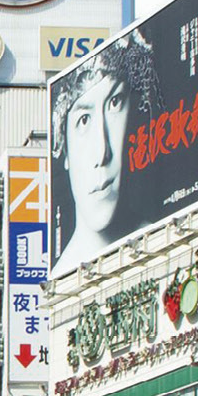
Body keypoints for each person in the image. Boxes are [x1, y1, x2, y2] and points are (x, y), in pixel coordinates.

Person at [50, 30, 155, 268]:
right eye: (84, 120)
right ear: (63, 146)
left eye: (115, 103)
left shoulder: (165, 238)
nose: (102, 152)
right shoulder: (57, 283)